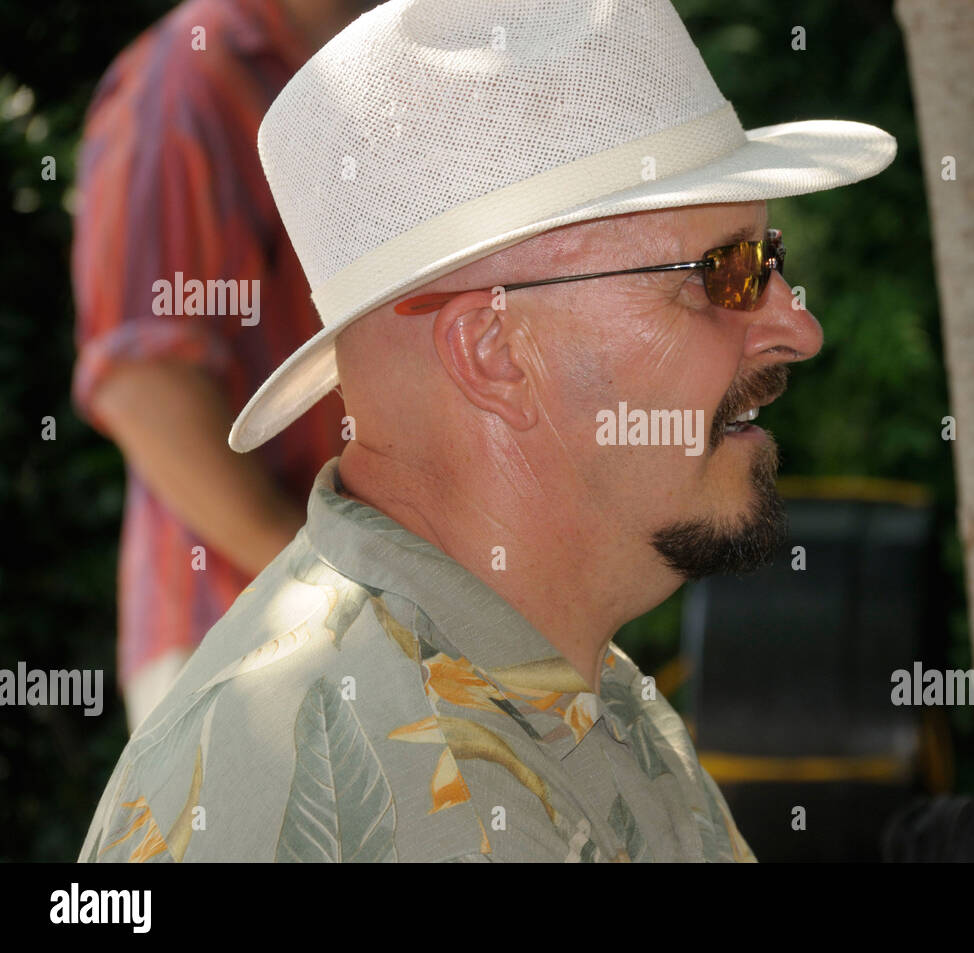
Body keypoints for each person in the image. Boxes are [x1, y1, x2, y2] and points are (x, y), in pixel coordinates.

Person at [79, 0, 895, 862]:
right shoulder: (396, 788)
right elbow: (141, 379)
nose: (795, 329)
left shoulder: (567, 689)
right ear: (496, 350)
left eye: (769, 263)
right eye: (723, 274)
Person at [71, 0, 378, 730]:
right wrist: (329, 582)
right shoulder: (184, 82)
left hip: (367, 618)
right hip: (243, 641)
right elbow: (142, 383)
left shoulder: (396, 52)